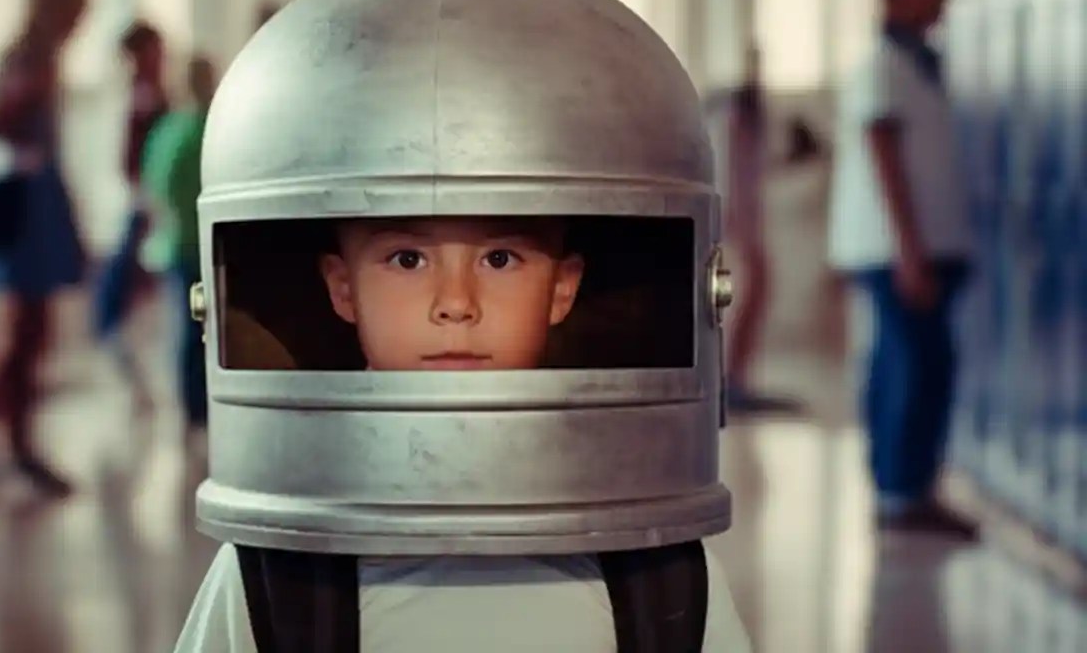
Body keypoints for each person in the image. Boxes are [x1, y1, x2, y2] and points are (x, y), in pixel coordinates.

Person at [173, 216, 751, 651]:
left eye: (499, 258)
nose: (455, 304)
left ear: (563, 287)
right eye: (407, 259)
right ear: (342, 287)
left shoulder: (662, 575)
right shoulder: (271, 574)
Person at [828, 0, 975, 537]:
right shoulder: (882, 66)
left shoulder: (915, 59)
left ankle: (900, 485)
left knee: (906, 361)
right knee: (917, 363)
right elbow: (884, 156)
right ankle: (902, 491)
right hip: (898, 250)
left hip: (917, 246)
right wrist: (910, 252)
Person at [0, 0, 89, 497]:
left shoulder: (29, 59)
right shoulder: (30, 63)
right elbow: (1, 123)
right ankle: (13, 444)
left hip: (32, 210)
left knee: (19, 332)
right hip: (26, 216)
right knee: (24, 333)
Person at [93, 21, 171, 415]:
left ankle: (144, 387)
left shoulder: (152, 100)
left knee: (129, 306)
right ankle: (137, 386)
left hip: (149, 214)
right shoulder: (140, 99)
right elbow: (128, 165)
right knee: (115, 307)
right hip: (143, 213)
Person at [140, 57, 218, 429]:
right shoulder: (204, 130)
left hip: (172, 241)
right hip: (196, 243)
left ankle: (190, 406)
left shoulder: (166, 130)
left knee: (185, 327)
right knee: (198, 330)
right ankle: (196, 408)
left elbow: (152, 187)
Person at [723, 47, 800, 414]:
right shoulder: (739, 112)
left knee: (757, 291)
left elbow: (757, 167)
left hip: (748, 213)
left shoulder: (757, 115)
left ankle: (737, 376)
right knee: (750, 290)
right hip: (741, 215)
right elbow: (737, 168)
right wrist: (742, 217)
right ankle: (731, 377)